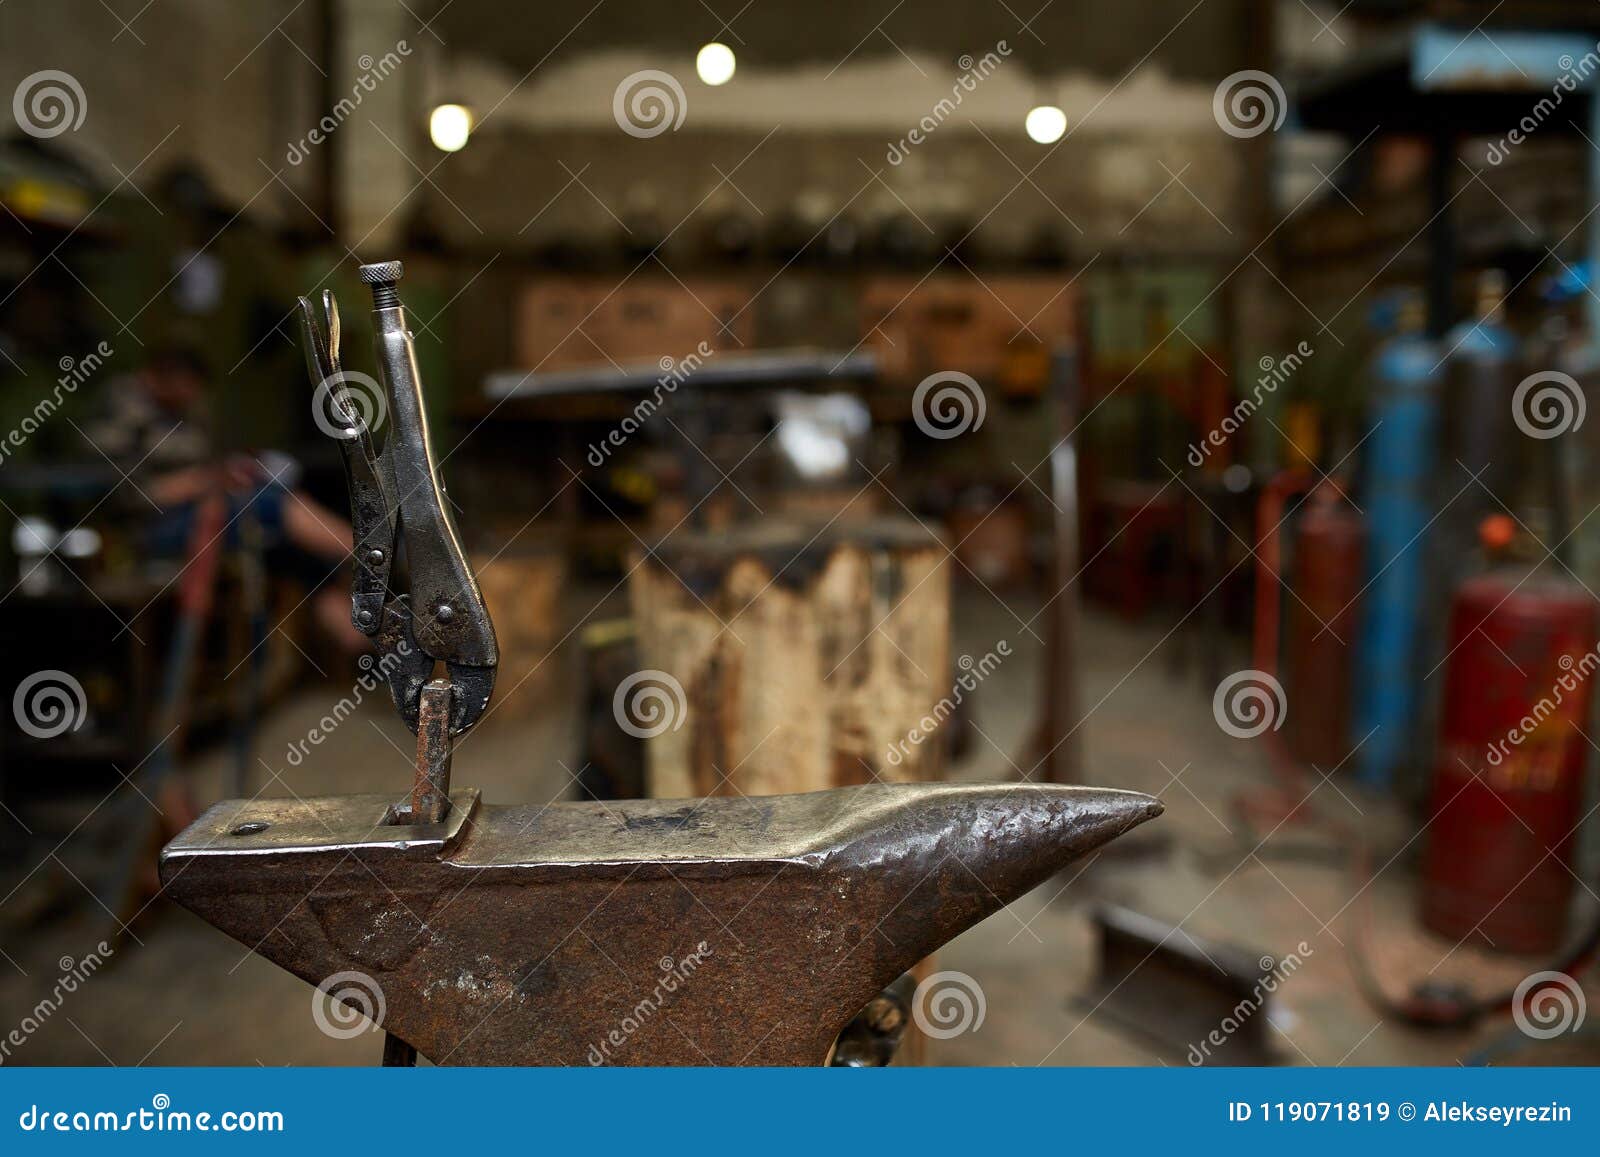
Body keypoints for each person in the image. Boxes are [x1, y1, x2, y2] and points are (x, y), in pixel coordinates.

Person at [85, 346, 367, 658]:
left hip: (203, 515)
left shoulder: (180, 411)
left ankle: (370, 648)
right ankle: (376, 556)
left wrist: (226, 471)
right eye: (190, 385)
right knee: (274, 504)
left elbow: (199, 466)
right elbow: (131, 494)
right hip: (145, 533)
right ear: (167, 375)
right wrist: (210, 478)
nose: (194, 395)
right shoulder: (122, 408)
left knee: (306, 560)